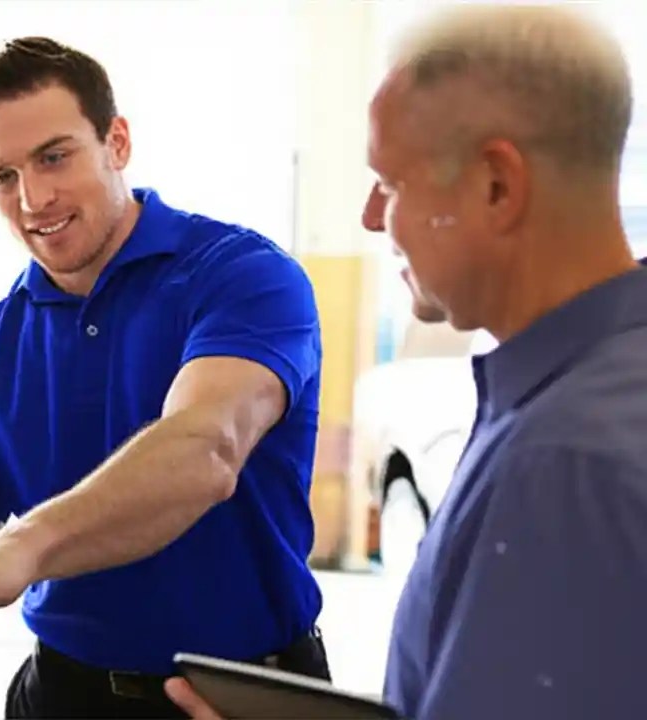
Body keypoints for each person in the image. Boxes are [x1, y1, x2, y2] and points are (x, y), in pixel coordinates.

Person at [0, 36, 330, 720]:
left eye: (54, 157)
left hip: (244, 696)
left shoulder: (242, 276)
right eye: (3, 176)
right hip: (62, 697)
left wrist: (14, 553)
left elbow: (206, 449)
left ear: (117, 142)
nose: (33, 197)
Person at [166, 4, 647, 720]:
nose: (367, 217)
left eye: (389, 183)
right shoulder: (589, 387)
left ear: (496, 186)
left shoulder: (565, 461)